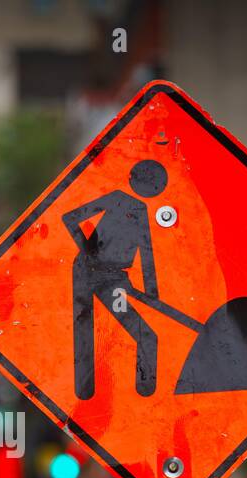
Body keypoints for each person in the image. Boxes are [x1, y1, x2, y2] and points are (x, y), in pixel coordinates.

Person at [63, 159, 167, 399]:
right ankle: (84, 398)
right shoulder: (117, 198)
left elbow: (147, 254)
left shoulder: (141, 211)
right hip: (85, 271)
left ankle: (145, 397)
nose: (154, 187)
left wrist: (152, 294)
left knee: (147, 336)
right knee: (84, 333)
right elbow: (71, 218)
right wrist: (89, 254)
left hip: (112, 276)